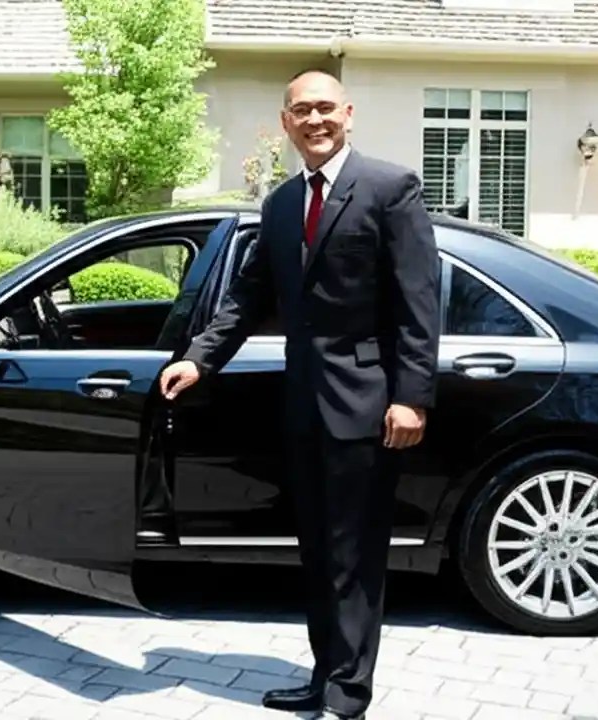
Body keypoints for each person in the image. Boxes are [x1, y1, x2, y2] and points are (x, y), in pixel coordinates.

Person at [158, 69, 441, 720]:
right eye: (300, 111)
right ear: (286, 123)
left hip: (370, 405)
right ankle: (323, 679)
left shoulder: (390, 189)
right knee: (316, 551)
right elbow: (248, 297)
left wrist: (412, 397)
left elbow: (418, 303)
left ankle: (348, 694)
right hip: (304, 407)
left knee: (355, 554)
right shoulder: (282, 204)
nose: (314, 121)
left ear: (348, 113)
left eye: (324, 108)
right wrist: (199, 360)